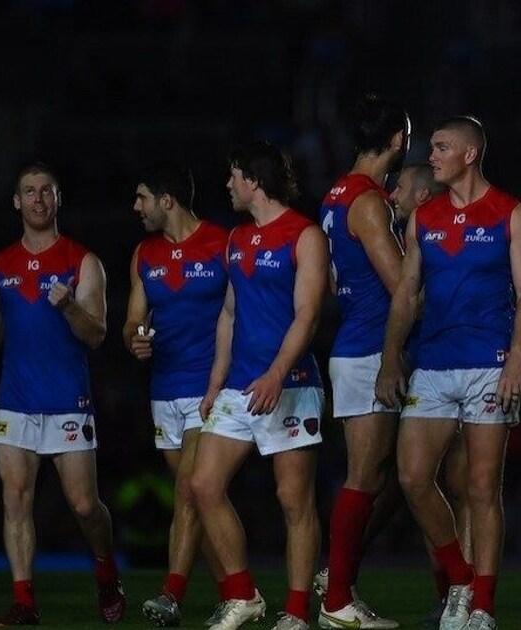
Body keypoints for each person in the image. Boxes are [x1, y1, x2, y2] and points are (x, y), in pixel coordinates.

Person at [376, 116, 521, 630]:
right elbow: (406, 293)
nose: (433, 156)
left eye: (442, 148)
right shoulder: (423, 218)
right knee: (411, 477)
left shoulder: (512, 214)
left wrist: (518, 359)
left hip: (488, 366)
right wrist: (389, 357)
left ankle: (483, 608)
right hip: (433, 363)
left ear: (469, 155)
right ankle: (460, 580)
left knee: (481, 488)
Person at [0, 162, 126, 626]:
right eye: (29, 192)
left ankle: (106, 572)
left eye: (45, 191)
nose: (37, 199)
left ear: (57, 199)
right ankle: (24, 600)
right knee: (15, 499)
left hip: (68, 400)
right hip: (16, 401)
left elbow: (97, 334)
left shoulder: (83, 261)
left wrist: (69, 304)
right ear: (16, 201)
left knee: (84, 505)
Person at [190, 141, 328, 630]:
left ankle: (296, 613)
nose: (227, 185)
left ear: (253, 180)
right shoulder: (236, 238)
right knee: (202, 486)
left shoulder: (305, 234)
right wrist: (214, 383)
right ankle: (242, 594)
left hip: (290, 384)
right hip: (239, 387)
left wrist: (275, 373)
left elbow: (308, 315)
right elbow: (228, 313)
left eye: (233, 176)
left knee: (294, 501)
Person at [313, 93, 412, 630]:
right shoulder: (369, 202)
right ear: (398, 140)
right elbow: (401, 286)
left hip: (358, 342)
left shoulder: (334, 195)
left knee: (402, 476)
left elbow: (333, 282)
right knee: (365, 476)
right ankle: (336, 600)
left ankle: (338, 578)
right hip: (372, 349)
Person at [123, 162, 231, 627]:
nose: (136, 207)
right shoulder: (144, 254)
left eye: (142, 198)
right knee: (195, 500)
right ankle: (236, 592)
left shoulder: (223, 243)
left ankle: (172, 595)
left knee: (190, 490)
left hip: (209, 388)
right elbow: (133, 320)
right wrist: (135, 338)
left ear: (166, 201)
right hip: (163, 391)